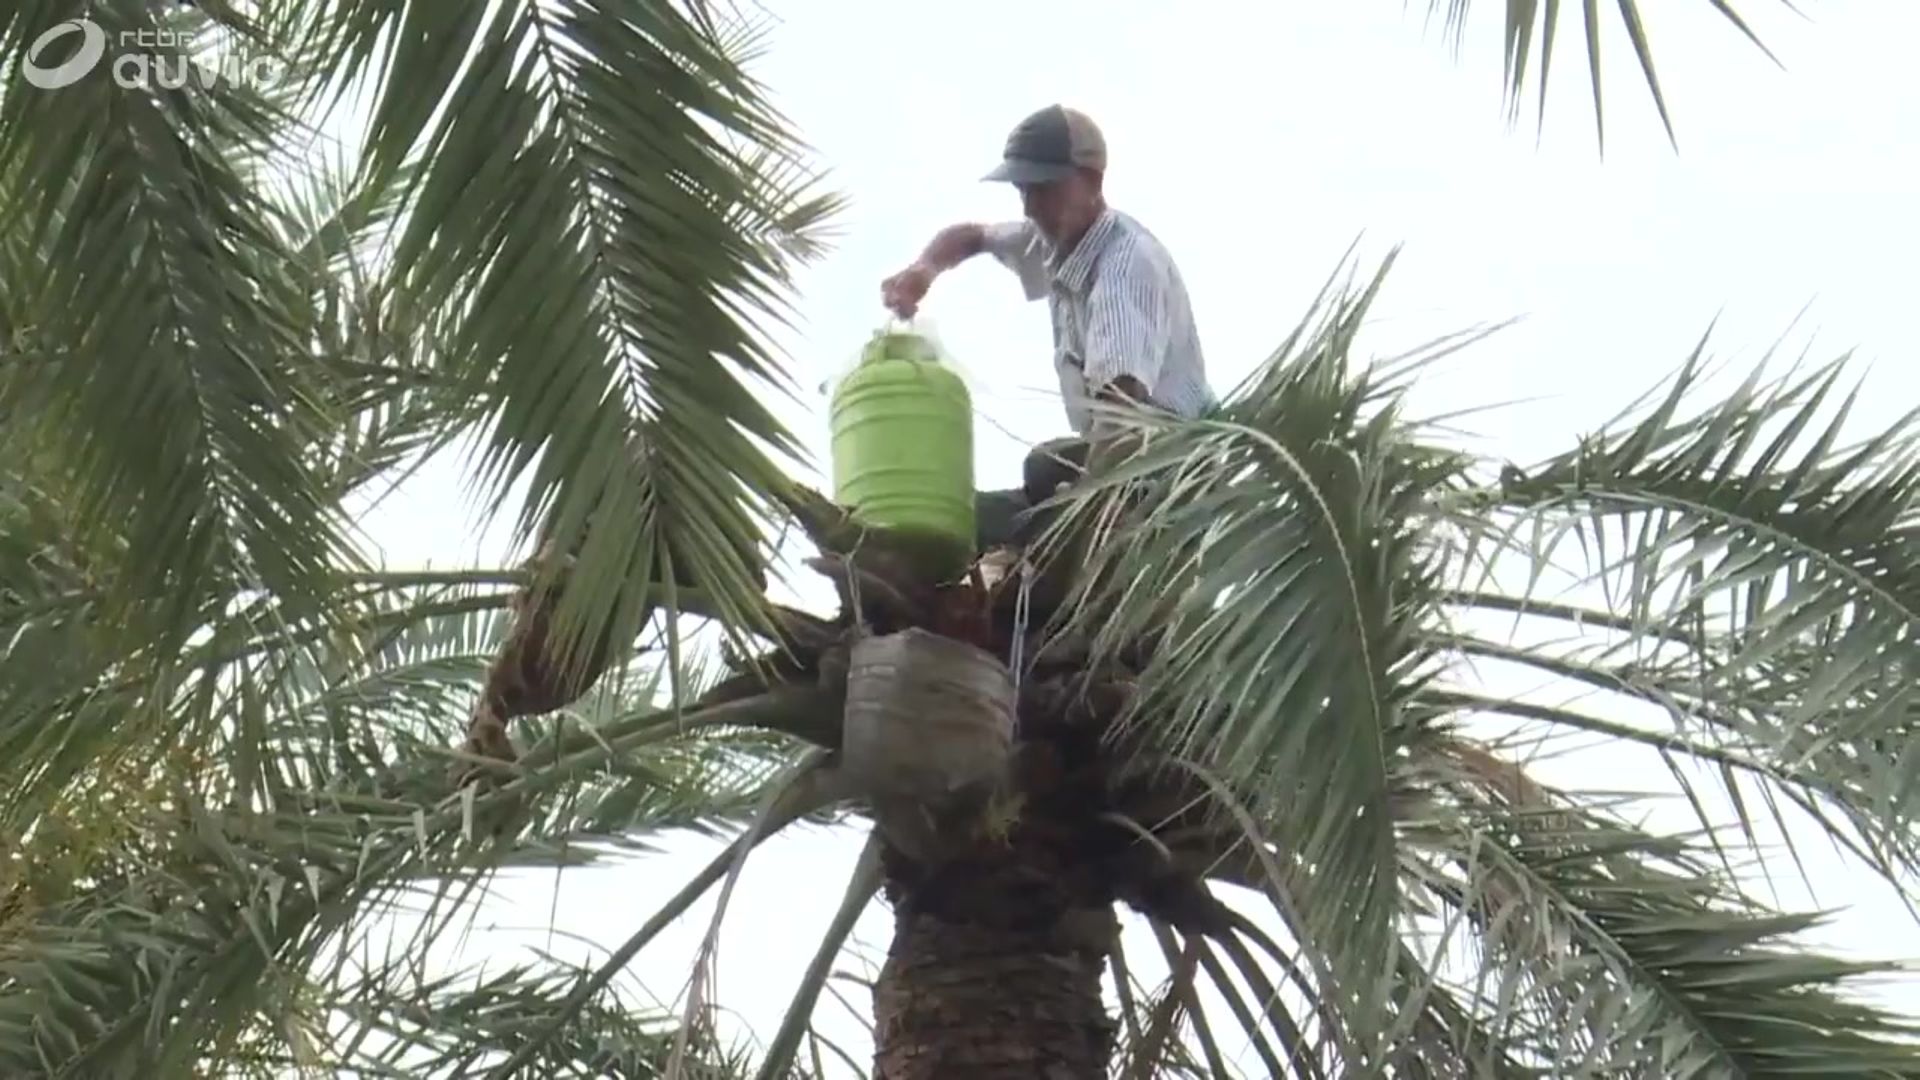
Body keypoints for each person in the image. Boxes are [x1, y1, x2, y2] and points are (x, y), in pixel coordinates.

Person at [881, 104, 1213, 549]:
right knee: (969, 515)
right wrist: (923, 271)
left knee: (1042, 473)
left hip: (1165, 472)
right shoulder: (1053, 236)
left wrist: (1076, 529)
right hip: (1114, 454)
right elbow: (973, 236)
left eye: (1044, 189)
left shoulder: (1124, 267)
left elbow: (1122, 422)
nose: (1031, 205)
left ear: (1092, 181)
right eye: (1023, 190)